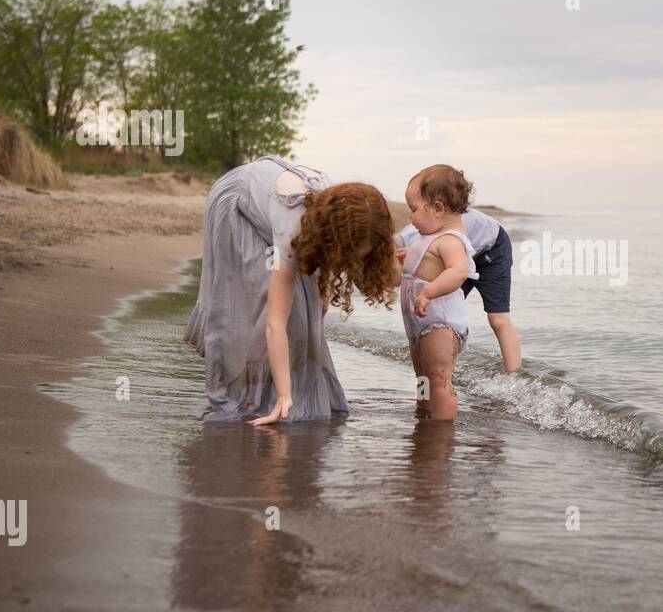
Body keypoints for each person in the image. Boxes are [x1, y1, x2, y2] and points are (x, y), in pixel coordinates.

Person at [183, 155, 400, 425]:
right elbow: (275, 323)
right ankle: (255, 396)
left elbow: (338, 256)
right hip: (237, 200)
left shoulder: (347, 212)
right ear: (331, 238)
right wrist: (284, 397)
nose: (353, 262)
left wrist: (321, 294)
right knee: (257, 300)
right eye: (348, 255)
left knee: (308, 307)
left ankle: (295, 390)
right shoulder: (291, 230)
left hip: (281, 205)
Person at [395, 176, 521, 372]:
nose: (411, 215)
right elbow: (397, 280)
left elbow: (455, 270)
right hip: (453, 257)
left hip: (491, 248)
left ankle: (514, 375)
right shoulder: (418, 230)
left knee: (498, 319)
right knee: (443, 318)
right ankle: (440, 377)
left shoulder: (418, 236)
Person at [397, 164, 480, 419]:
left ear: (438, 208)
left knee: (439, 380)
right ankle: (424, 412)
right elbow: (424, 267)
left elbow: (457, 272)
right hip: (419, 323)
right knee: (423, 378)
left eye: (413, 209)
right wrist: (408, 259)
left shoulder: (451, 240)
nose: (410, 217)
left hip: (440, 323)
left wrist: (429, 293)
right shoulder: (430, 237)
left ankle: (442, 430)